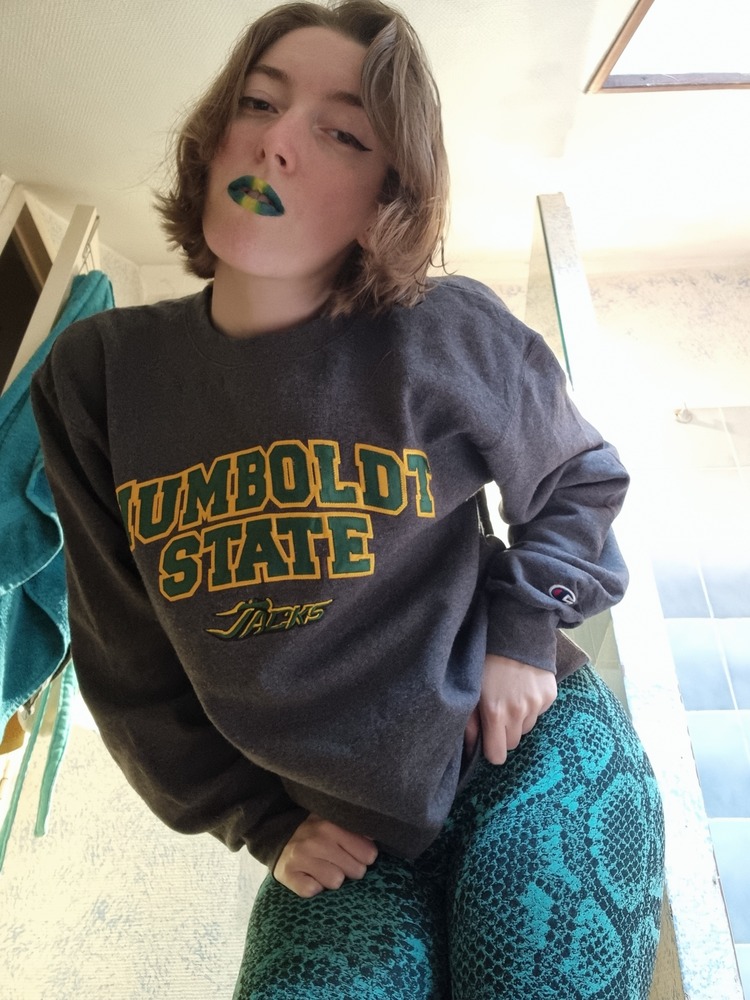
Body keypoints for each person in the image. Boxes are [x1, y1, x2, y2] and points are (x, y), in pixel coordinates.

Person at [31, 1, 665, 996]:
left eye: (341, 133)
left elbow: (579, 477)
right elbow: (126, 655)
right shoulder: (97, 377)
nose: (277, 142)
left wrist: (524, 632)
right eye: (259, 103)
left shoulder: (443, 332)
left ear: (385, 197)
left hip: (527, 751)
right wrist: (258, 820)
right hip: (341, 827)